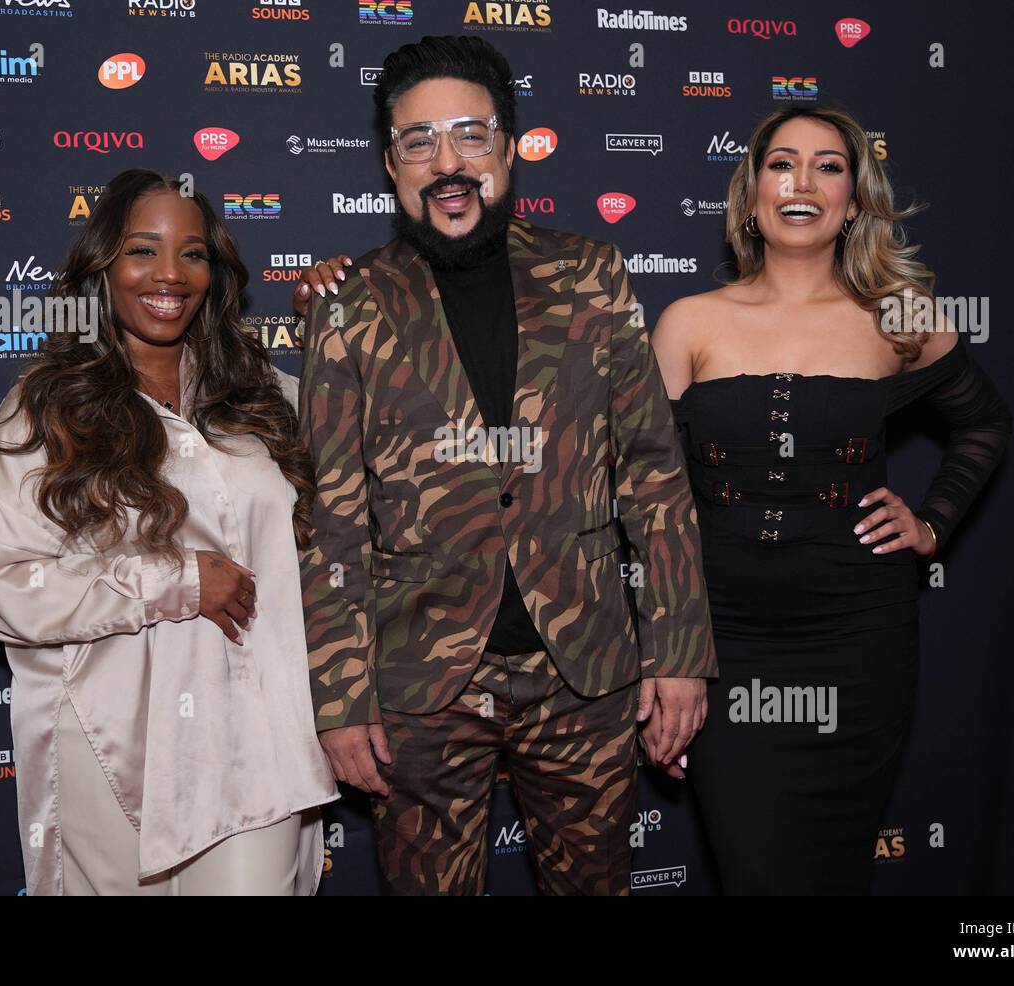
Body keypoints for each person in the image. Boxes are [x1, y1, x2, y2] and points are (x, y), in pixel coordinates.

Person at [294, 35, 715, 895]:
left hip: (586, 674)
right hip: (422, 687)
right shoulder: (350, 306)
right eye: (419, 141)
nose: (446, 162)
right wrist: (339, 698)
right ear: (390, 164)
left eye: (470, 135)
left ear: (510, 149)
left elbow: (654, 477)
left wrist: (677, 651)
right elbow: (329, 521)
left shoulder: (593, 276)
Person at [652, 105, 1012, 893]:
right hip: (727, 651)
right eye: (782, 163)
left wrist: (931, 520)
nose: (803, 181)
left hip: (859, 644)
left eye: (829, 165)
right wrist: (668, 656)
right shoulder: (689, 323)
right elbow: (649, 497)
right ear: (753, 195)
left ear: (854, 199)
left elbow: (984, 425)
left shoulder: (899, 315)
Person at [0, 169, 338, 895]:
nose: (169, 274)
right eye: (143, 249)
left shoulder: (261, 394)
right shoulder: (45, 409)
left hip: (252, 736)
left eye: (192, 254)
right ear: (104, 265)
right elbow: (9, 587)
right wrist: (178, 580)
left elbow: (374, 437)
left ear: (215, 273)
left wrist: (341, 322)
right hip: (111, 741)